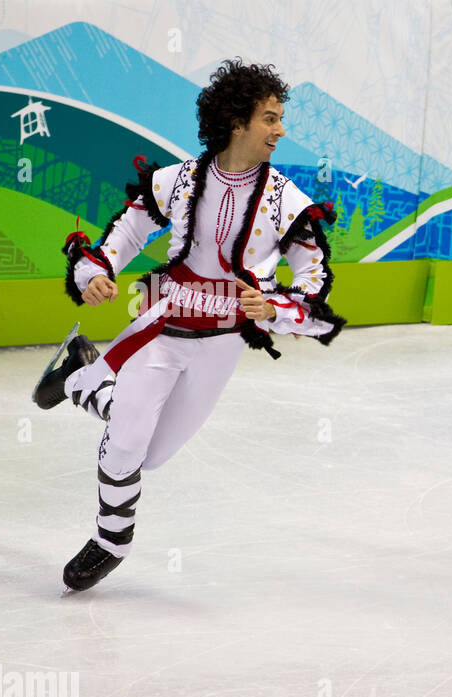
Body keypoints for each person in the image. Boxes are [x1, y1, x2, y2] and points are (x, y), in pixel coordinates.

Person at [33, 58, 346, 591]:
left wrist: (278, 309)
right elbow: (125, 232)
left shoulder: (286, 202)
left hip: (222, 341)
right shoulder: (177, 181)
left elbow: (314, 285)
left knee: (150, 455)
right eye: (270, 118)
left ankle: (82, 372)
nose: (281, 129)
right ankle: (111, 540)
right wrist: (95, 271)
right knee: (127, 442)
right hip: (162, 320)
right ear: (237, 122)